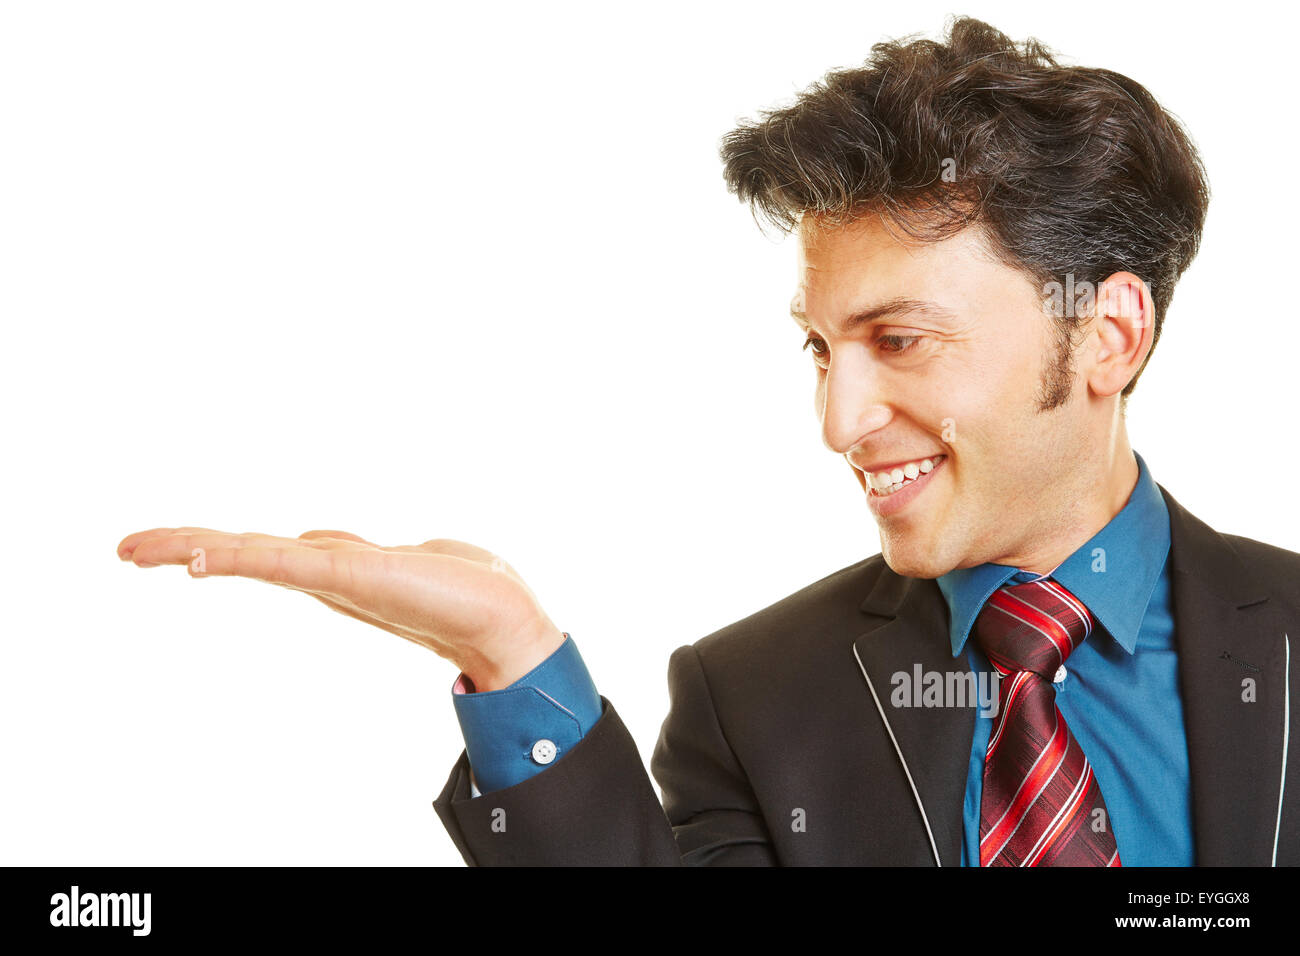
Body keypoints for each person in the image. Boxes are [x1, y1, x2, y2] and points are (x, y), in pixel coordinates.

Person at [117, 16, 1299, 866]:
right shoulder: (753, 699)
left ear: (1106, 333)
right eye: (820, 349)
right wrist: (517, 661)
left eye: (900, 339)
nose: (837, 422)